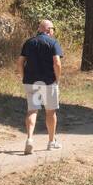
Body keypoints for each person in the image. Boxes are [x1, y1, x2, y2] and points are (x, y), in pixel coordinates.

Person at [19, 18, 63, 154]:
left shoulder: (29, 42)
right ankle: (51, 142)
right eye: (53, 29)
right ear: (49, 30)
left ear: (40, 29)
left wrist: (23, 77)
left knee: (32, 110)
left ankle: (30, 139)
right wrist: (58, 78)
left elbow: (20, 62)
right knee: (50, 112)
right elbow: (57, 62)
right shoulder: (53, 42)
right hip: (49, 82)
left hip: (31, 81)